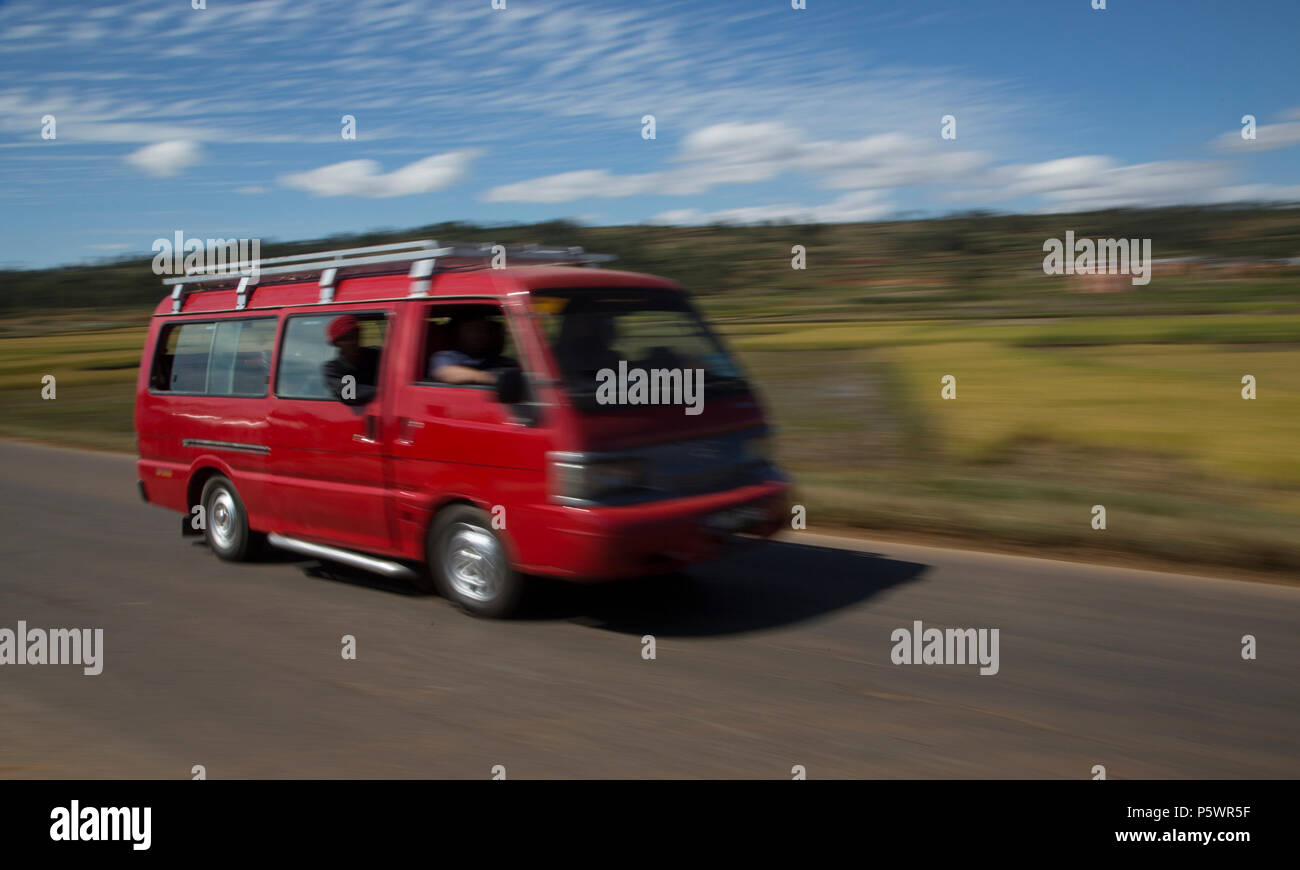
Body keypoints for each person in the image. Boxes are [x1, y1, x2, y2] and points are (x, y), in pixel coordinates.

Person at [429, 315, 514, 385]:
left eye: (484, 330)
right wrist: (491, 378)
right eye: (472, 329)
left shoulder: (501, 360)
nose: (480, 334)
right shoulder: (447, 356)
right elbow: (444, 372)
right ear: (458, 334)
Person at [322, 314, 381, 404]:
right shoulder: (333, 369)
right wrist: (385, 392)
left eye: (356, 335)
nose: (354, 341)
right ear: (337, 344)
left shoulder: (377, 355)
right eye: (348, 338)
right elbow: (349, 394)